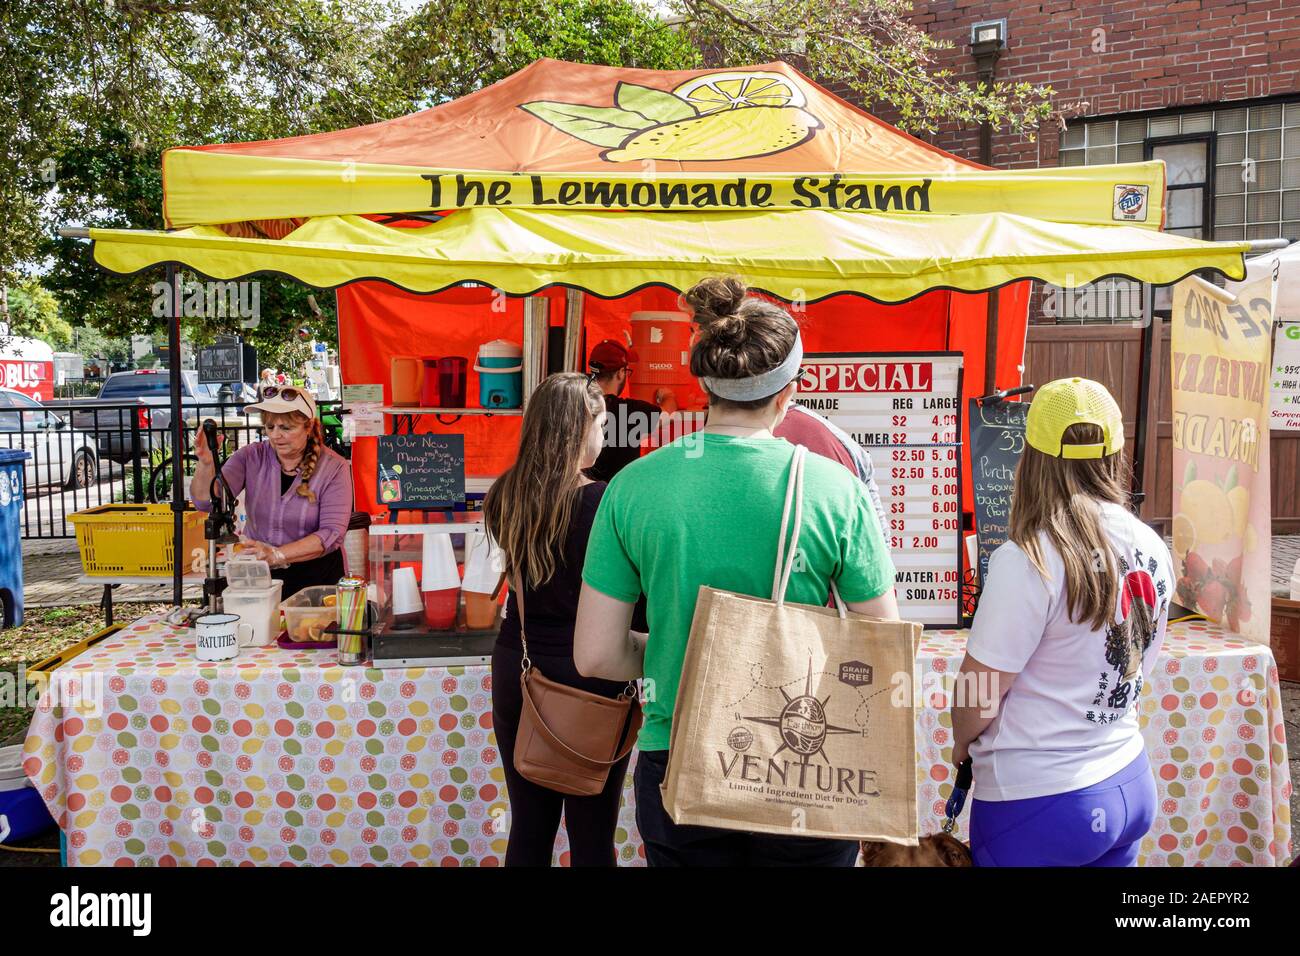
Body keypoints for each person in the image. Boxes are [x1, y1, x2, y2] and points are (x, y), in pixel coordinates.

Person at [574, 276, 899, 867]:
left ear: (704, 386)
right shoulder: (835, 489)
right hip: (807, 762)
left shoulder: (631, 488)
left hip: (679, 759)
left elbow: (595, 656)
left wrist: (691, 650)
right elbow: (880, 642)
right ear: (788, 392)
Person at [950, 378, 1172, 867]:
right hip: (1128, 777)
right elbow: (1137, 662)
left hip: (1039, 800)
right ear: (1115, 451)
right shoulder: (1150, 543)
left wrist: (960, 740)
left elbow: (980, 689)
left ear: (1030, 456)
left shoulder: (1029, 555)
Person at [484, 373, 646, 866]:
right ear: (580, 427)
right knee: (592, 835)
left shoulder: (505, 494)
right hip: (590, 676)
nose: (604, 434)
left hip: (519, 666)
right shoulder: (602, 501)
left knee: (529, 829)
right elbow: (632, 602)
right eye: (600, 422)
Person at [193, 384, 353, 598]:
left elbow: (331, 534)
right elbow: (206, 502)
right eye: (270, 427)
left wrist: (277, 554)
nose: (276, 435)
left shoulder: (334, 467)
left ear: (308, 427)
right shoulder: (250, 456)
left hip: (316, 580)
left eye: (286, 428)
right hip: (260, 576)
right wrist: (205, 463)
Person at [585, 338, 663, 483]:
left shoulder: (574, 402)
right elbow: (669, 415)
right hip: (615, 501)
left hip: (576, 499)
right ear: (621, 373)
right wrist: (667, 396)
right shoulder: (631, 411)